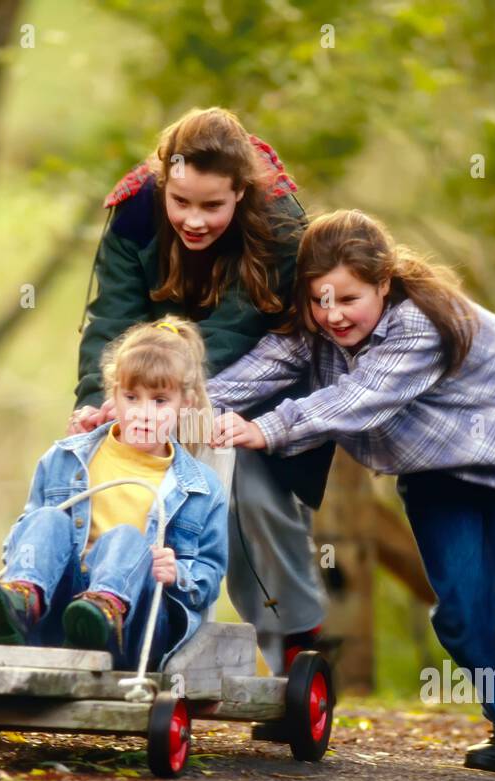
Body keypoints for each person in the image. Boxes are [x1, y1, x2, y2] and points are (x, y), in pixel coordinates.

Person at [207, 209, 495, 775]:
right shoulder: (317, 329)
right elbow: (254, 372)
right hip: (437, 468)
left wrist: (269, 428)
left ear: (383, 283)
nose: (331, 315)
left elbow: (362, 398)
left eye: (349, 300)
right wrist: (157, 404)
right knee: (461, 604)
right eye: (319, 300)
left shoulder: (422, 324)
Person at [71, 106, 332, 672]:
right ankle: (117, 615)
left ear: (241, 192)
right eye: (181, 202)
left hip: (257, 381)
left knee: (252, 503)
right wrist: (99, 397)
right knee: (112, 481)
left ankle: (291, 639)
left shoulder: (281, 223)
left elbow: (242, 324)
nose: (194, 220)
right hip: (146, 384)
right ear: (164, 184)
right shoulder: (134, 213)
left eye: (213, 205)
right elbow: (112, 316)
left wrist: (165, 375)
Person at [0, 319, 227, 672]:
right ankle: (21, 605)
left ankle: (103, 611)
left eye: (160, 401)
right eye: (132, 398)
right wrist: (31, 557)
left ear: (186, 403)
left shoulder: (200, 488)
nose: (143, 412)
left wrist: (178, 573)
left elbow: (209, 574)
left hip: (132, 633)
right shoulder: (66, 458)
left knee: (126, 539)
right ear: (113, 395)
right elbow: (21, 541)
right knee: (48, 518)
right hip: (59, 613)